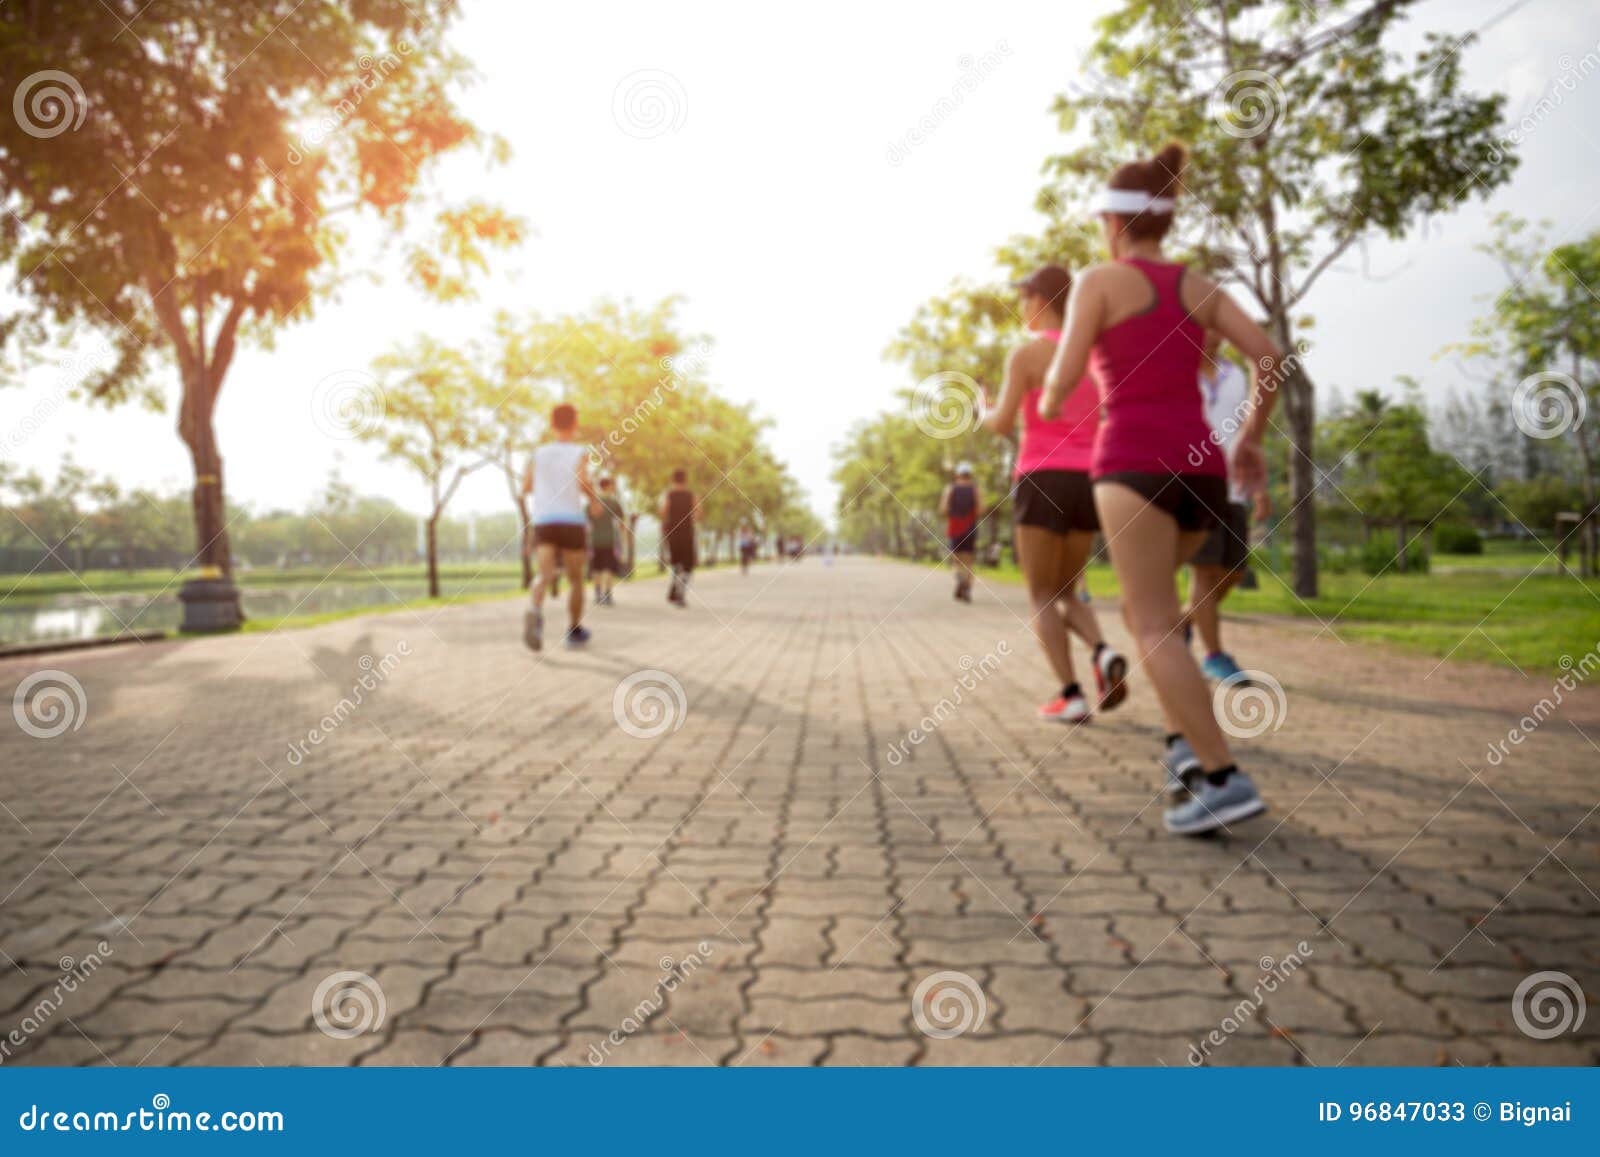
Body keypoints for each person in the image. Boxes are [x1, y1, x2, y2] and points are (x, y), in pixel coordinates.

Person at [1040, 141, 1281, 837]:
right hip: (1202, 469)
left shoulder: (1097, 281)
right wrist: (1252, 439)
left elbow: (1059, 379)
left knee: (1147, 624)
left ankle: (1222, 777)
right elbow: (1268, 355)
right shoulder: (1198, 286)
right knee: (1165, 619)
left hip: (1132, 464)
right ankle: (1182, 745)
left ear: (1113, 224)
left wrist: (1055, 398)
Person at [982, 263, 1128, 723]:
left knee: (1042, 593)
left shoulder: (1026, 356)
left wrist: (981, 408)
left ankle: (1072, 694)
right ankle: (1102, 652)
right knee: (1069, 589)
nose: (1021, 306)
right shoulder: (1095, 356)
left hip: (1042, 477)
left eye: (1024, 297)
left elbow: (1002, 423)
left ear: (1041, 300)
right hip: (1089, 479)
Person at [1182, 329, 1271, 682]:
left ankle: (1182, 621)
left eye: (1217, 326)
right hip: (1193, 482)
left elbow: (1245, 434)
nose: (1213, 333)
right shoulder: (1178, 373)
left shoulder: (1236, 375)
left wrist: (1258, 486)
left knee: (1232, 570)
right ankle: (1214, 656)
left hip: (1233, 486)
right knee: (1203, 570)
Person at [523, 403, 595, 651]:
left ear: (551, 424)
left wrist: (546, 486)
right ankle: (573, 632)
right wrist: (594, 500)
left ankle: (534, 610)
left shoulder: (537, 453)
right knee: (575, 580)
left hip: (544, 521)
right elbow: (583, 481)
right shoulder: (580, 452)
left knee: (544, 575)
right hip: (571, 521)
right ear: (575, 424)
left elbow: (526, 486)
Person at [938, 463, 981, 602]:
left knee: (956, 562)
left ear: (958, 475)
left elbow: (943, 509)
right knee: (968, 561)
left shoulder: (950, 489)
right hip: (970, 527)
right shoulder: (975, 489)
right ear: (970, 474)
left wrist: (952, 512)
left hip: (955, 527)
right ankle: (967, 587)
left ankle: (961, 581)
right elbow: (981, 509)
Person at [659, 468, 700, 606]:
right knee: (688, 565)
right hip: (687, 532)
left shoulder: (668, 495)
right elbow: (699, 513)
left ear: (672, 480)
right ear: (686, 480)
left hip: (673, 532)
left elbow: (663, 511)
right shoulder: (691, 495)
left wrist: (665, 526)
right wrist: (692, 521)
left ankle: (675, 590)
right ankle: (680, 593)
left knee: (676, 563)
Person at [589, 475, 631, 607]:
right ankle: (607, 596)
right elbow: (622, 524)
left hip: (594, 540)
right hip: (609, 540)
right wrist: (625, 540)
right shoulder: (613, 503)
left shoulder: (593, 502)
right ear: (609, 486)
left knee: (596, 568)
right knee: (607, 567)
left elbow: (586, 523)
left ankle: (597, 595)